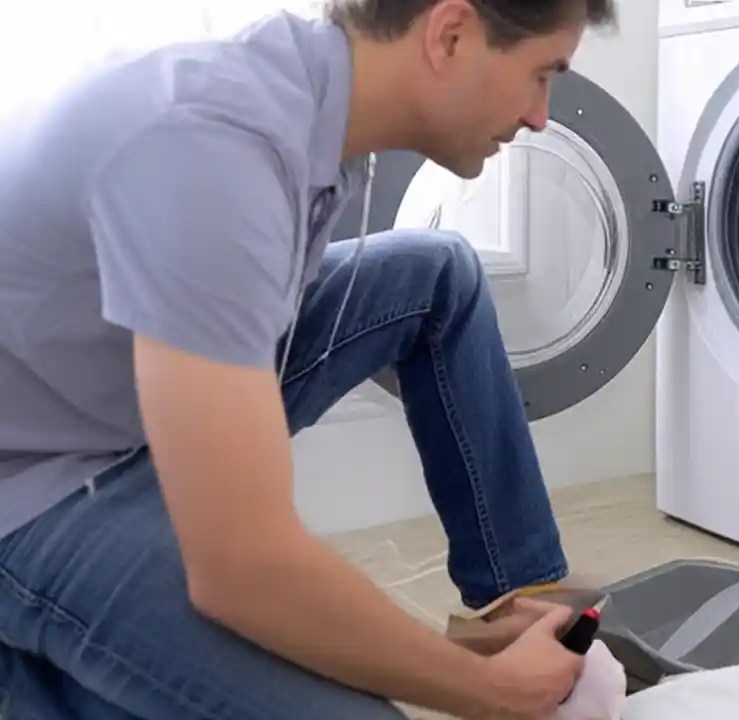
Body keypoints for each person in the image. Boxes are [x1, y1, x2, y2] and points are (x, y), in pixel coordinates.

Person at [0, 0, 617, 717]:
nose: (542, 115)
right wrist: (488, 692)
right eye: (542, 75)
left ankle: (524, 608)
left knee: (435, 271)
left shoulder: (304, 102)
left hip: (122, 403)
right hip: (38, 482)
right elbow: (241, 567)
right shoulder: (211, 152)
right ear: (450, 34)